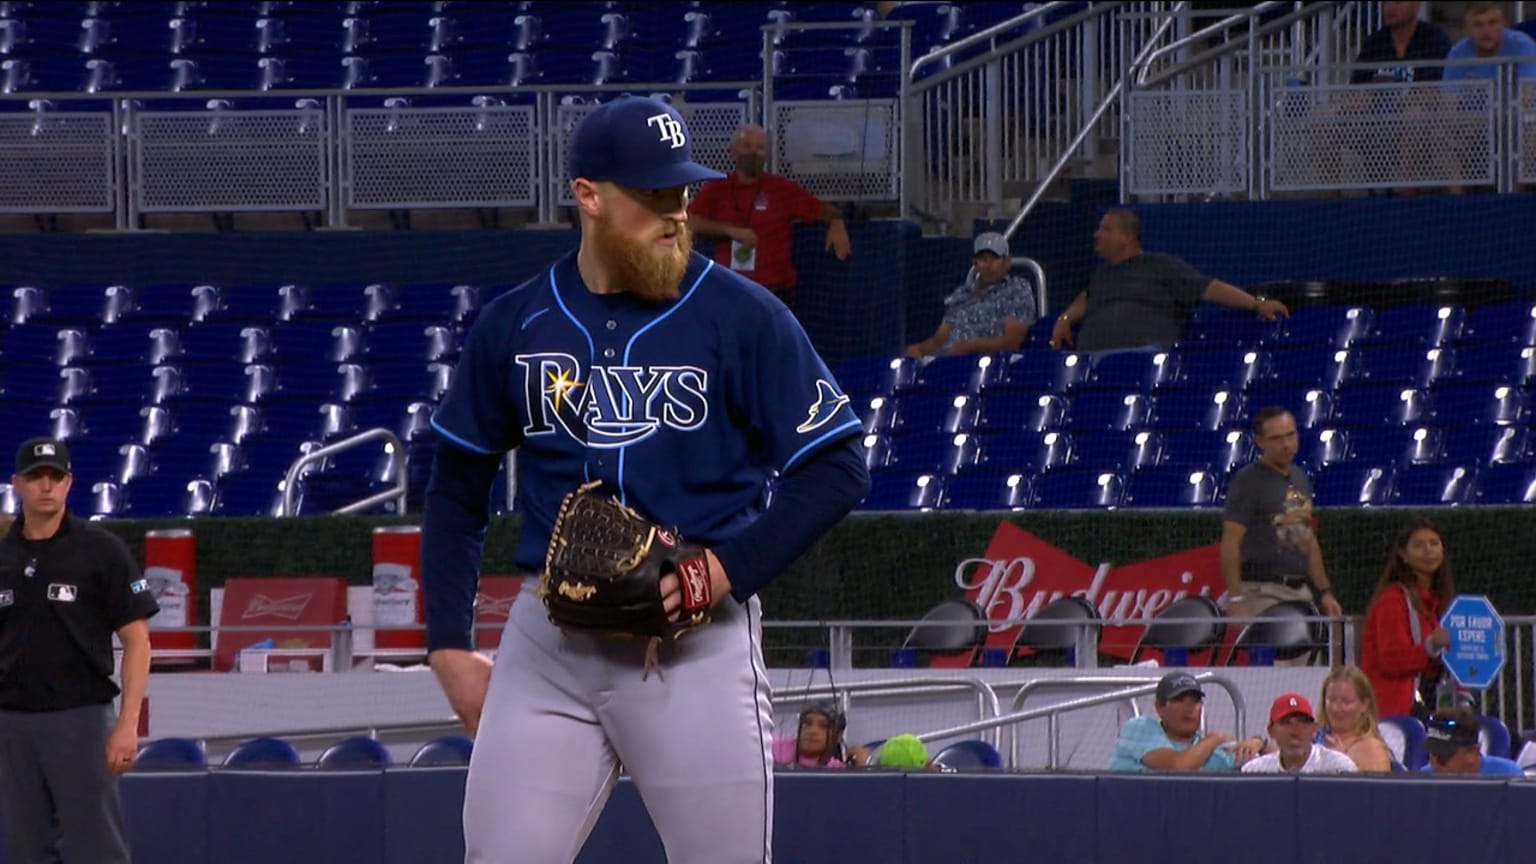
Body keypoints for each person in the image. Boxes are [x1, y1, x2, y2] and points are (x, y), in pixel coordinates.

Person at [420, 95, 870, 864]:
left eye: (683, 194)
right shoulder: (515, 322)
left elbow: (837, 468)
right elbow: (457, 488)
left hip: (694, 642)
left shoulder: (744, 316)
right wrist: (447, 646)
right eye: (653, 196)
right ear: (588, 195)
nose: (676, 212)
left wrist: (724, 570)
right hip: (549, 641)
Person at [0, 437, 160, 863]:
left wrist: (127, 724)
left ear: (69, 483)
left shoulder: (101, 549)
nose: (46, 486)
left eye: (55, 476)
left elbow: (138, 640)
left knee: (97, 846)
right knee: (22, 850)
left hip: (82, 721)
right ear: (17, 484)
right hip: (12, 725)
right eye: (36, 477)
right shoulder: (3, 555)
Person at [1049, 209, 1288, 354]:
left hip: (1142, 359)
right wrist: (1065, 318)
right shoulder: (1102, 275)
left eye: (1105, 229)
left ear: (1126, 237)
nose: (1096, 234)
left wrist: (1258, 303)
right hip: (1092, 362)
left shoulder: (1161, 266)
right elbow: (1086, 298)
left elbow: (1209, 287)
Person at [686, 123, 852, 310]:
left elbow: (825, 211)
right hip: (731, 289)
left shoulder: (781, 189)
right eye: (747, 146)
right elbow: (688, 222)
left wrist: (837, 222)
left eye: (760, 147)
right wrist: (729, 231)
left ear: (766, 154)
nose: (753, 152)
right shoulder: (716, 189)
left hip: (775, 293)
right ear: (732, 152)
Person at [1220, 407, 1344, 628]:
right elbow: (1231, 541)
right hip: (1261, 591)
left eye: (1291, 435)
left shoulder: (1299, 478)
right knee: (1277, 658)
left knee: (1307, 660)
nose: (1286, 444)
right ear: (1260, 441)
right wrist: (1236, 597)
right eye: (1276, 438)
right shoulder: (1248, 481)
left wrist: (1325, 592)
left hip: (1299, 591)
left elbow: (1306, 539)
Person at [1360, 518, 1454, 720]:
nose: (1428, 550)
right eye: (1419, 545)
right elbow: (1391, 660)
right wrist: (1432, 646)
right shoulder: (1391, 600)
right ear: (1403, 555)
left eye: (1434, 543)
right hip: (1393, 710)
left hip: (1425, 704)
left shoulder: (1438, 601)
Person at [903, 231, 1037, 359]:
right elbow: (939, 339)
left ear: (1007, 261)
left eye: (994, 258)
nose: (988, 265)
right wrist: (919, 349)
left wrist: (970, 346)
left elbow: (1012, 342)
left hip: (985, 364)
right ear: (975, 263)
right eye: (983, 259)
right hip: (944, 361)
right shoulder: (961, 294)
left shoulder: (1016, 289)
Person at [1107, 672, 1271, 772]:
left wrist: (1260, 743)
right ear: (1159, 707)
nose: (1189, 708)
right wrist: (1214, 738)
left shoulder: (1211, 747)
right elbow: (1179, 766)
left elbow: (1284, 762)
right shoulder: (1140, 727)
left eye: (1195, 701)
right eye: (1179, 700)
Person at [1242, 693, 1359, 774]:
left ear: (1314, 729)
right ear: (1271, 731)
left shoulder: (1338, 768)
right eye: (1286, 723)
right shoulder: (1255, 771)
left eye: (1303, 723)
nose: (1295, 731)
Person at [1316, 665, 1395, 773]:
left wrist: (1341, 762)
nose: (1336, 708)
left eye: (1346, 702)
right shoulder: (1312, 739)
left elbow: (1373, 789)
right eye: (1331, 700)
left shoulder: (1371, 749)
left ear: (1364, 705)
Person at [1351, 1, 1453, 84]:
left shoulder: (1435, 39)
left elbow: (1442, 87)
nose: (1390, 8)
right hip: (1380, 108)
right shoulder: (1373, 44)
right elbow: (1356, 87)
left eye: (1398, 2)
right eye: (1386, 3)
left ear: (1416, 5)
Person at [1442, 2, 1536, 83]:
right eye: (1478, 25)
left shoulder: (1523, 46)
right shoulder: (1457, 54)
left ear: (1503, 24)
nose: (1486, 31)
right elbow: (1449, 100)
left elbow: (1528, 97)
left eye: (1492, 23)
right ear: (1467, 29)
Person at [1422, 705, 1523, 776]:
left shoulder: (1506, 775)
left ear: (1472, 752)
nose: (1435, 764)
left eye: (1443, 758)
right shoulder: (1424, 778)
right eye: (1432, 754)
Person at [772, 704, 846, 768]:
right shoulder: (773, 747)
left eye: (824, 726)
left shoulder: (837, 771)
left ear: (838, 736)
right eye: (807, 723)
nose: (812, 731)